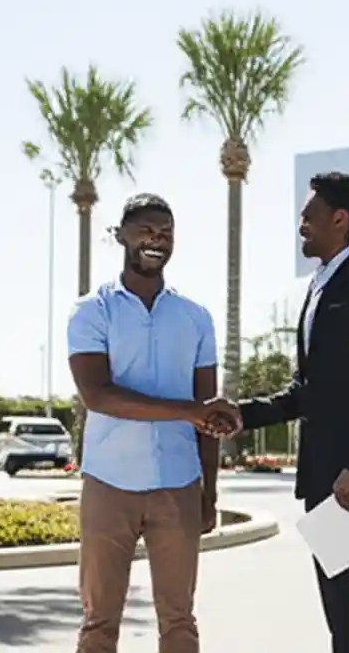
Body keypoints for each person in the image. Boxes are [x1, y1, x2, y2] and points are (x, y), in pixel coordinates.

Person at [238, 171, 349, 653]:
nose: (301, 223)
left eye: (309, 214)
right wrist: (241, 415)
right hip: (324, 481)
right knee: (344, 618)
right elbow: (309, 391)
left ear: (340, 219)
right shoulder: (320, 286)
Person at [67, 193, 240, 653]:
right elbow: (97, 395)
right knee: (99, 623)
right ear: (121, 234)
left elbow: (211, 412)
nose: (156, 239)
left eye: (165, 231)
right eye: (146, 228)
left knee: (180, 622)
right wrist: (188, 411)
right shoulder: (92, 311)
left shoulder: (195, 317)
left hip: (177, 484)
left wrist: (209, 492)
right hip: (109, 484)